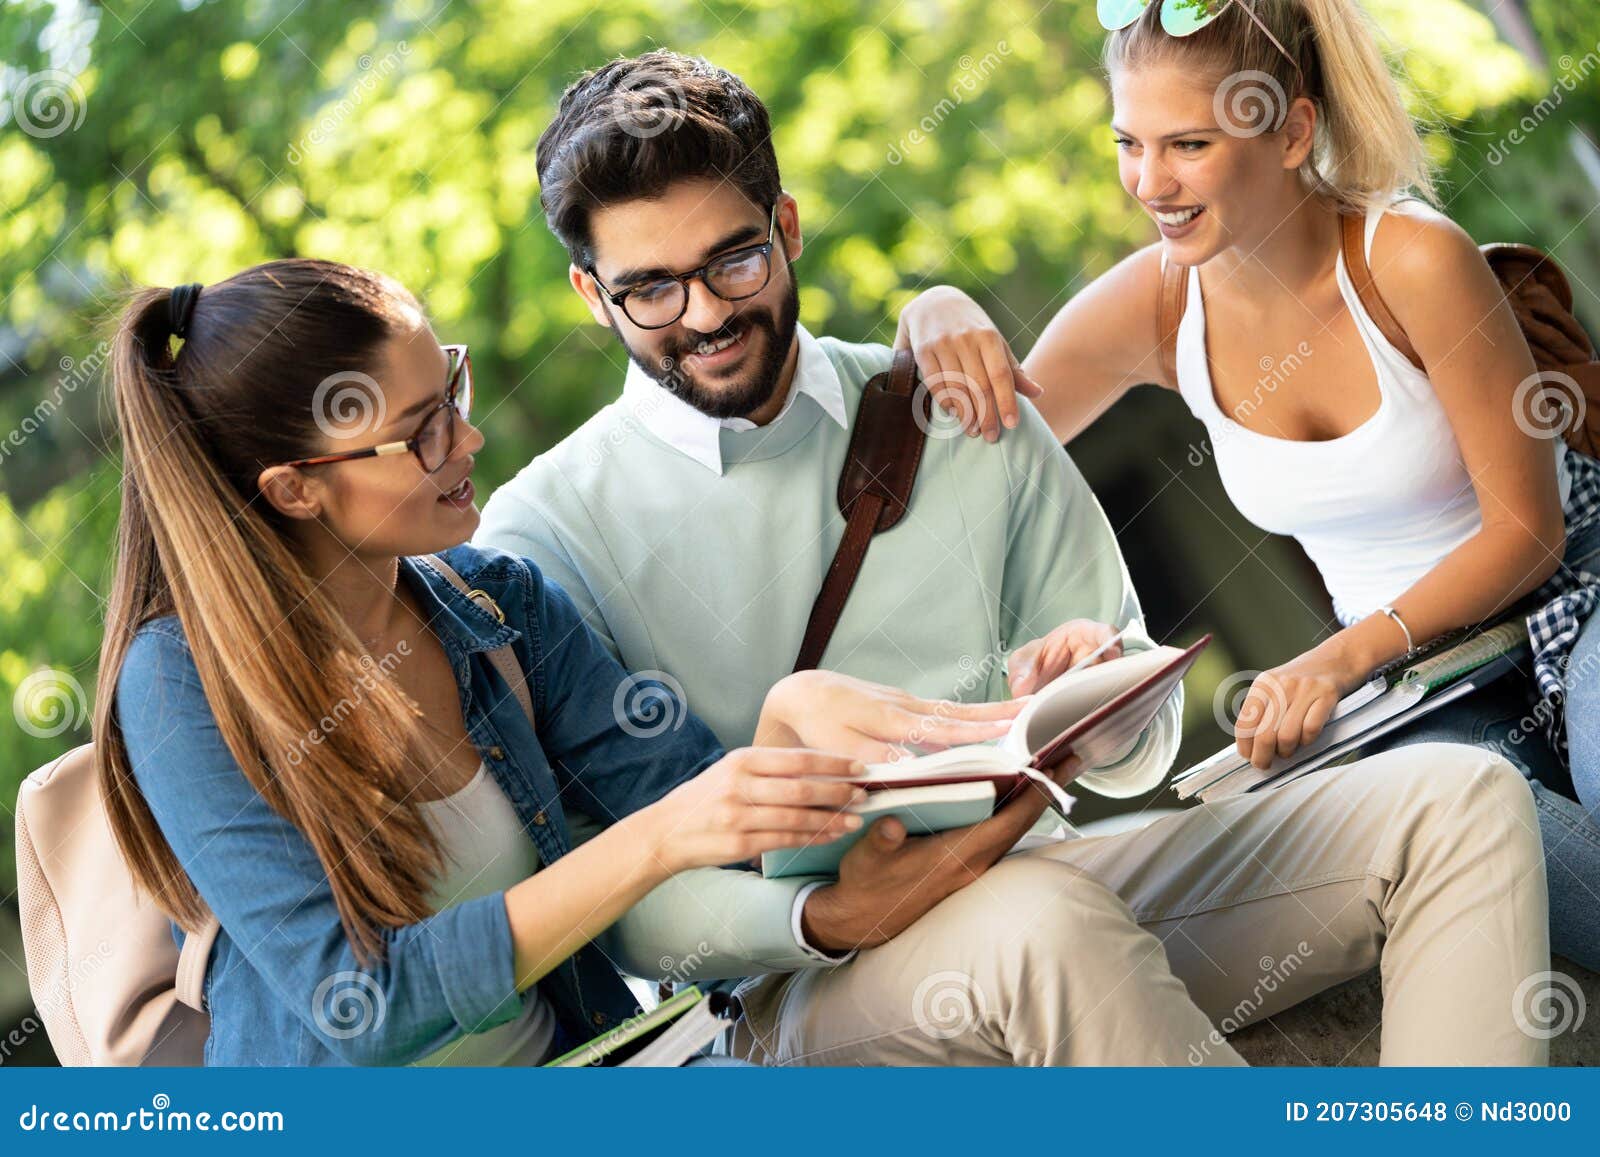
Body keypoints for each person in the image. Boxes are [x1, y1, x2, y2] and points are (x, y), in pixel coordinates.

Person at [476, 48, 1552, 1065]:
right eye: (651, 289)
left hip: (1049, 884)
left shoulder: (956, 407)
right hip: (800, 991)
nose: (706, 314)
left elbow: (1138, 737)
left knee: (1456, 802)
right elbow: (604, 888)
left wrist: (1100, 689)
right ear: (591, 294)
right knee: (1040, 918)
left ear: (787, 226)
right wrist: (816, 912)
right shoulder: (542, 534)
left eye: (735, 260)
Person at [100, 259, 1096, 1065]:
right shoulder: (179, 685)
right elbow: (365, 1005)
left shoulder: (498, 606)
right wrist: (659, 838)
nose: (468, 436)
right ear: (294, 489)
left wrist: (809, 745)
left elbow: (698, 817)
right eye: (422, 432)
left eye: (451, 391)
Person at [892, 0, 1600, 969]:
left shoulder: (1409, 258)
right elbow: (977, 468)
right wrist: (932, 310)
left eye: (1188, 144)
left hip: (1572, 594)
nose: (1151, 183)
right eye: (1129, 143)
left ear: (1292, 131)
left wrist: (1333, 663)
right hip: (1415, 687)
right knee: (1506, 844)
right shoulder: (1154, 304)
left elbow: (1529, 533)